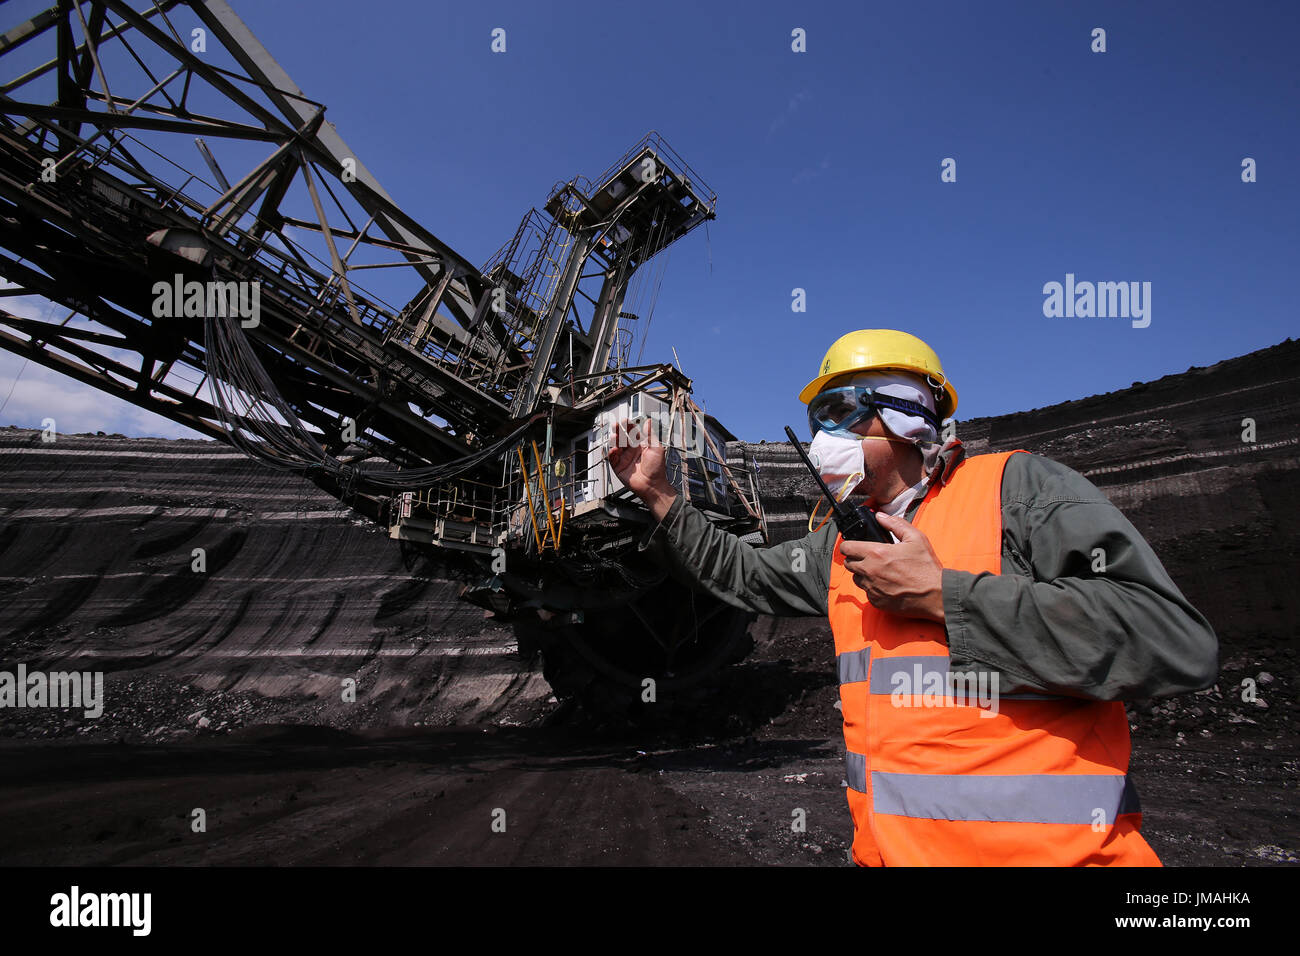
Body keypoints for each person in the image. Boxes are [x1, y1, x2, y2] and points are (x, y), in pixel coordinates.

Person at [607, 329, 1218, 866]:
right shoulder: (843, 542)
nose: (823, 437)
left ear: (907, 413)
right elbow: (742, 573)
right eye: (817, 417)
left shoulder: (1019, 490)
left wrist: (946, 597)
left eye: (840, 411)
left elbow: (1172, 640)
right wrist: (659, 494)